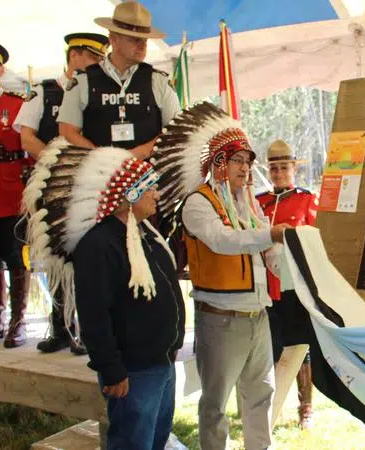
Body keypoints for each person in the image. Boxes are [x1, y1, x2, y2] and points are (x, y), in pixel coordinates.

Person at [22, 140, 185, 450]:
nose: (157, 194)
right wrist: (111, 369)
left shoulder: (146, 234)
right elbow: (94, 315)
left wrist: (174, 342)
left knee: (156, 440)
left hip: (161, 364)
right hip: (132, 371)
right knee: (132, 442)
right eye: (150, 188)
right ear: (129, 194)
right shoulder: (98, 244)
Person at [151, 102, 291, 450]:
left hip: (258, 315)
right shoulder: (198, 203)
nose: (245, 168)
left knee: (261, 395)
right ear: (218, 163)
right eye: (237, 160)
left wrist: (297, 270)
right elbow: (223, 241)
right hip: (221, 318)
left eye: (247, 161)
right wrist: (270, 234)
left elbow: (268, 252)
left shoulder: (248, 202)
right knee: (215, 404)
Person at [13, 32, 109, 355]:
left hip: (87, 190)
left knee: (87, 260)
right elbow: (26, 138)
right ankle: (61, 329)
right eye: (93, 57)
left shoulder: (97, 92)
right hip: (51, 188)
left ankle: (86, 330)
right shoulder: (44, 92)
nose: (97, 63)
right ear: (74, 55)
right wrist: (55, 165)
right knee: (54, 257)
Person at [57, 1, 179, 160]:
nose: (142, 46)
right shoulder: (82, 82)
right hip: (97, 172)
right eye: (135, 39)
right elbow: (67, 132)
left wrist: (140, 153)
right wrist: (103, 160)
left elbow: (176, 130)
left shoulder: (159, 81)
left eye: (145, 40)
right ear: (113, 39)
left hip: (149, 172)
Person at [256, 139, 319, 429]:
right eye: (274, 168)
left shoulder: (306, 199)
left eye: (284, 167)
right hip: (266, 286)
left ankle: (306, 408)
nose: (279, 173)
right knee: (270, 346)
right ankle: (271, 405)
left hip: (296, 286)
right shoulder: (259, 202)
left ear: (294, 169)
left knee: (300, 346)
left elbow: (315, 240)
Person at [0, 40, 31, 348]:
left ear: (1, 70)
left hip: (11, 194)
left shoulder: (17, 104)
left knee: (17, 259)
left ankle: (19, 321)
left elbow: (29, 149)